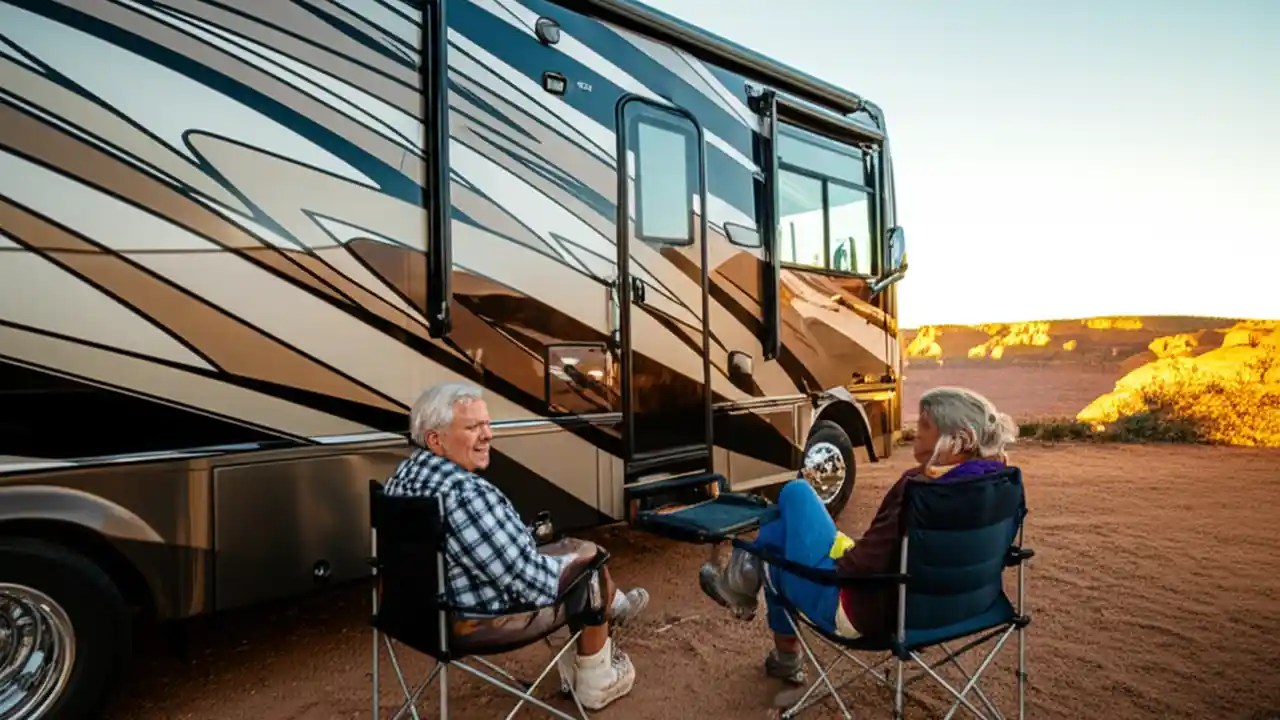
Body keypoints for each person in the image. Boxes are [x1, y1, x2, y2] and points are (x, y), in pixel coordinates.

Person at [697, 386, 1018, 685]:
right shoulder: (1002, 486)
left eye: (925, 425)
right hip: (960, 612)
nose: (916, 432)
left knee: (790, 510)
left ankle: (754, 604)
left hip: (866, 614)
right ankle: (746, 594)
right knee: (784, 524)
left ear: (960, 440)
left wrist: (843, 551)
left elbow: (861, 565)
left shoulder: (920, 490)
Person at [384, 382, 648, 710]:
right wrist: (585, 557)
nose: (488, 435)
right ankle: (598, 678)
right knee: (588, 567)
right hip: (472, 621)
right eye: (472, 427)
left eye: (487, 424)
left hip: (412, 618)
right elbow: (534, 584)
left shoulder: (402, 478)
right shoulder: (466, 493)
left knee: (567, 551)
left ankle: (607, 615)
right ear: (435, 440)